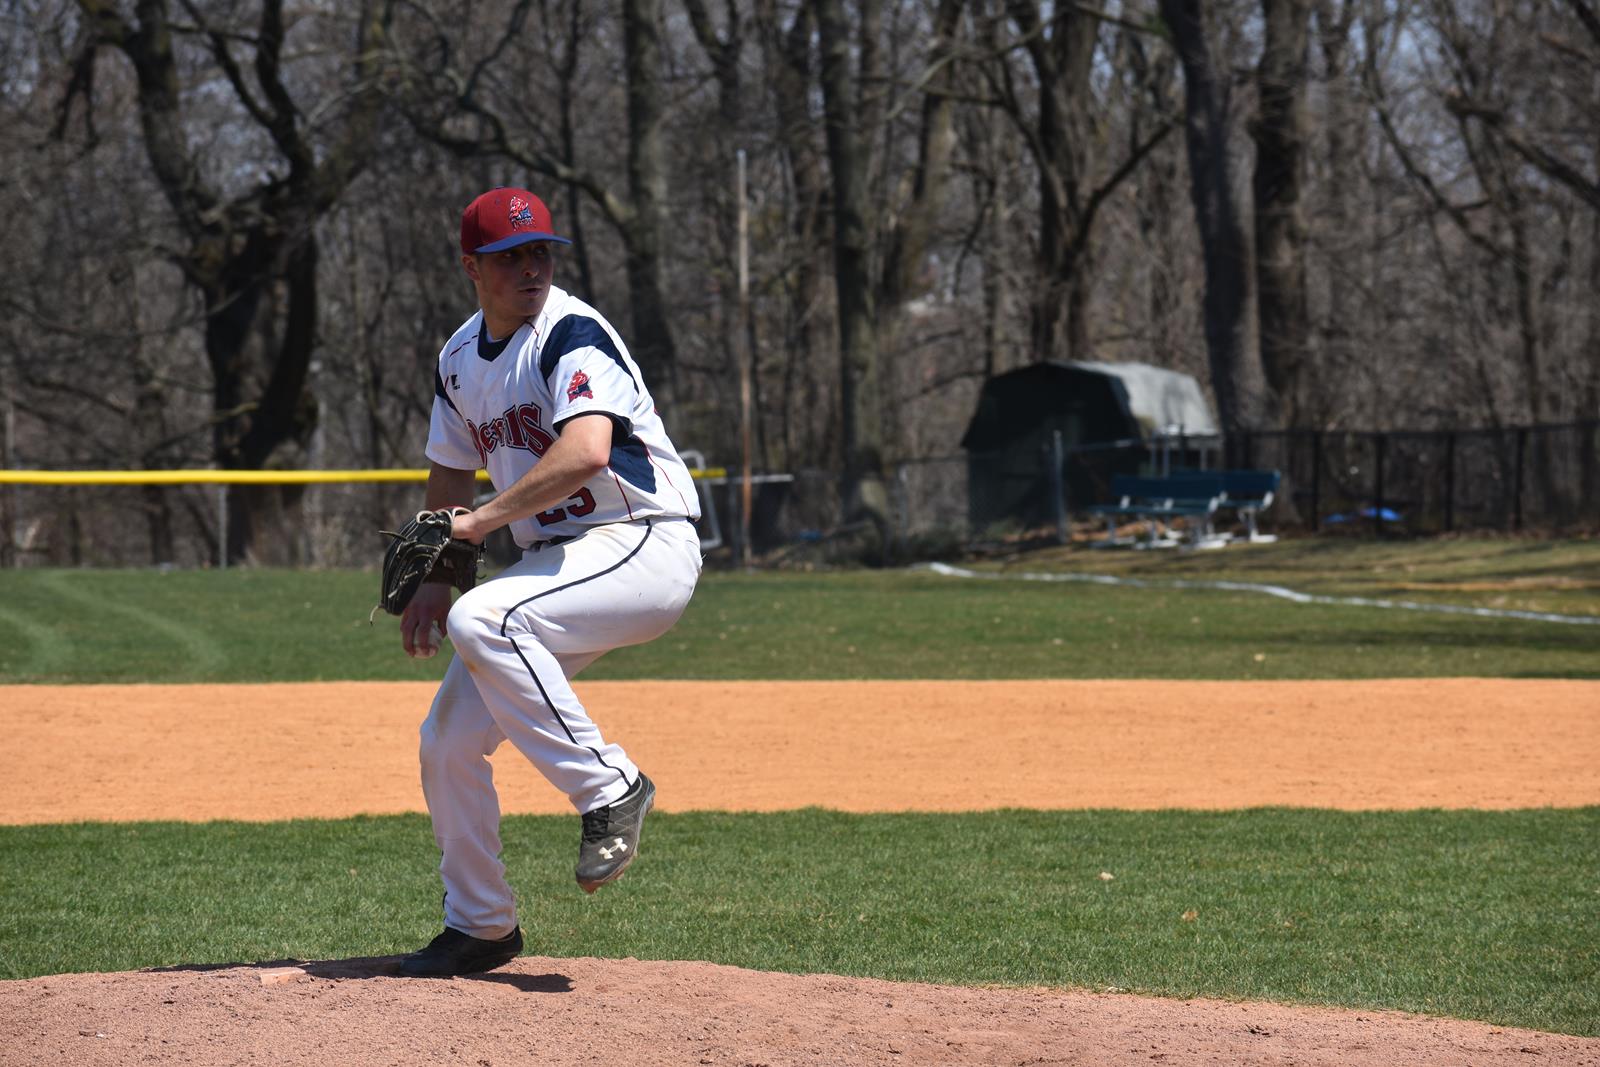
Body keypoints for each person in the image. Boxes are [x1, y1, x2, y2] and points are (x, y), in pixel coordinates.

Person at [396, 187, 703, 978]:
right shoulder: (460, 360)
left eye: (541, 251)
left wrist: (480, 523)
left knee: (489, 619)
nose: (531, 267)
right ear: (473, 267)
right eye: (510, 256)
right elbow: (448, 478)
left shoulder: (570, 330)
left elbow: (588, 453)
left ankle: (612, 788)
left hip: (641, 539)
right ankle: (482, 923)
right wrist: (439, 575)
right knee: (447, 743)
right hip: (557, 564)